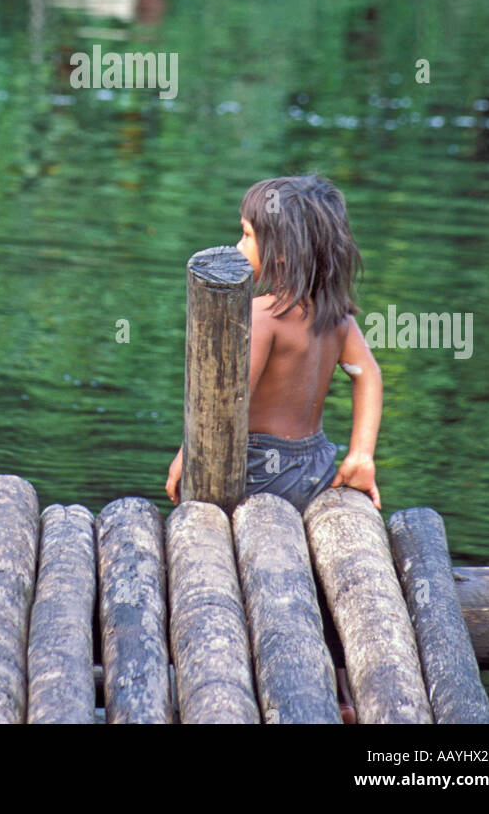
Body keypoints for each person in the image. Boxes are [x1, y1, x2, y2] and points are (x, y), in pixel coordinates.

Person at [164, 174, 383, 722]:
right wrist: (360, 456)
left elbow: (225, 400)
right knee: (310, 579)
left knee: (236, 569)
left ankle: (244, 679)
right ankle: (340, 694)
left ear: (279, 252)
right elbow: (368, 377)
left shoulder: (263, 315)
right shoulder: (335, 316)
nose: (239, 248)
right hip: (316, 464)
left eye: (246, 236)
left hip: (257, 468)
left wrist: (187, 455)